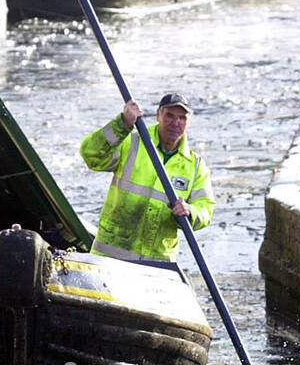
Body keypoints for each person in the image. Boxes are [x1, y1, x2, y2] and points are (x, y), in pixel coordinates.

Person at [79, 92, 215, 262]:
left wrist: (189, 212)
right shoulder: (131, 143)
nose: (176, 123)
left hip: (158, 264)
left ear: (189, 121)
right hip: (111, 256)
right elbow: (91, 154)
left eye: (182, 118)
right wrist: (122, 124)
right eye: (170, 116)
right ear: (158, 115)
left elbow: (205, 208)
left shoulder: (195, 166)